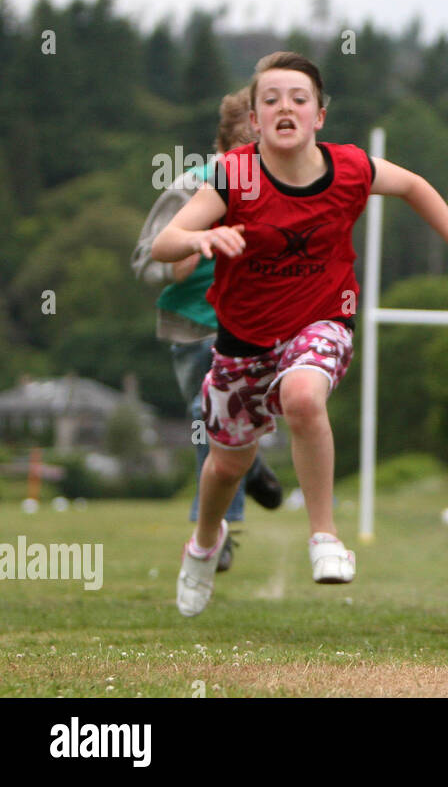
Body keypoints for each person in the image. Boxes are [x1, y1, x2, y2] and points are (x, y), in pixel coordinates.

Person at [152, 51, 448, 617]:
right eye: (271, 100)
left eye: (299, 99)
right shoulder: (232, 175)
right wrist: (200, 240)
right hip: (241, 341)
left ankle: (325, 538)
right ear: (255, 121)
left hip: (321, 322)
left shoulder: (352, 169)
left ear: (319, 117)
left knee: (304, 395)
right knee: (225, 467)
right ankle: (203, 545)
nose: (285, 107)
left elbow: (415, 187)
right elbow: (166, 242)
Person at [131, 88, 283, 573]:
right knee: (207, 416)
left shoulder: (272, 187)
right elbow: (143, 260)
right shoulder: (190, 187)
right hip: (195, 328)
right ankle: (230, 504)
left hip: (253, 322)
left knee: (222, 417)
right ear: (224, 150)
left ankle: (228, 502)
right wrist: (173, 264)